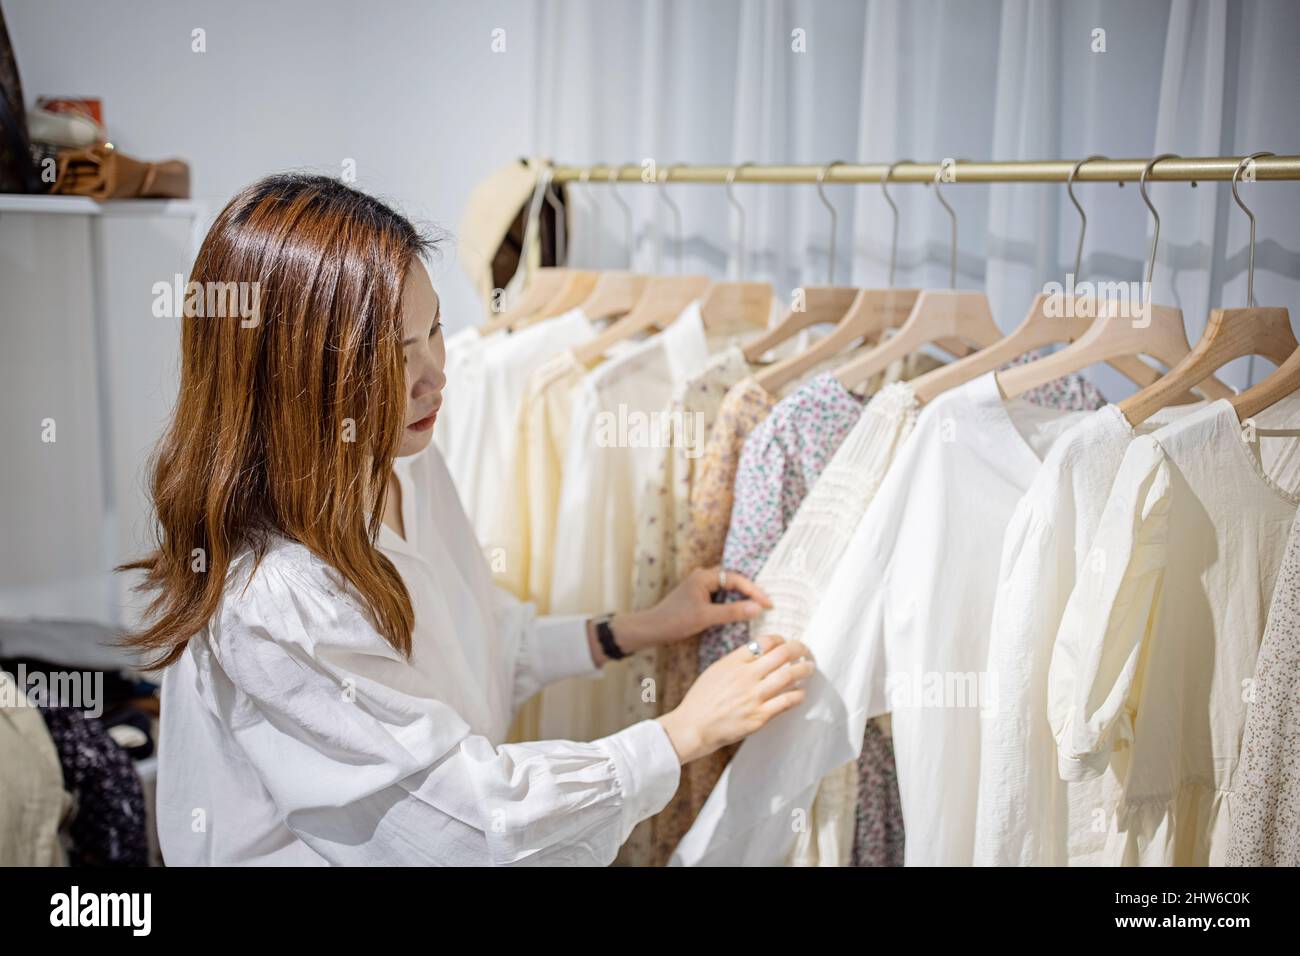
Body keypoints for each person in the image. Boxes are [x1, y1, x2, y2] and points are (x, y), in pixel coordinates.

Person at [126, 173, 814, 865]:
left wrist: (632, 628)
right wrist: (680, 735)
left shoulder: (402, 459)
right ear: (292, 379)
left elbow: (475, 645)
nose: (434, 376)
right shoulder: (277, 599)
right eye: (393, 357)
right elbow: (458, 826)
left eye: (434, 331)